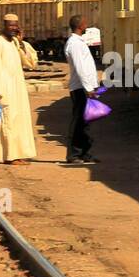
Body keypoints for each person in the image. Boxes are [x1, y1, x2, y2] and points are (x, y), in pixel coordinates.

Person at [0, 13, 39, 165]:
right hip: (5, 89)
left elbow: (31, 63)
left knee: (20, 121)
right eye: (10, 25)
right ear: (4, 25)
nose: (13, 28)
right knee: (9, 121)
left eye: (15, 25)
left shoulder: (16, 43)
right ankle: (10, 156)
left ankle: (19, 154)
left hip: (19, 88)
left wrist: (22, 43)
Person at [63, 14, 100, 165]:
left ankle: (85, 153)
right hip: (80, 89)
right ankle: (73, 155)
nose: (87, 26)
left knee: (85, 123)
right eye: (85, 23)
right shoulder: (75, 44)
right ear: (80, 26)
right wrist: (88, 88)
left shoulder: (78, 42)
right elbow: (80, 67)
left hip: (84, 88)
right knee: (78, 122)